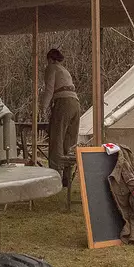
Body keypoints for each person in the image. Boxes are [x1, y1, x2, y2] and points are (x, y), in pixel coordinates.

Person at [40, 48, 80, 176]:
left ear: (50, 59)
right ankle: (68, 173)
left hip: (63, 102)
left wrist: (43, 108)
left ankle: (56, 171)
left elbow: (49, 89)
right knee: (70, 138)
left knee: (57, 137)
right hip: (75, 102)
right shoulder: (65, 70)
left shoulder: (51, 68)